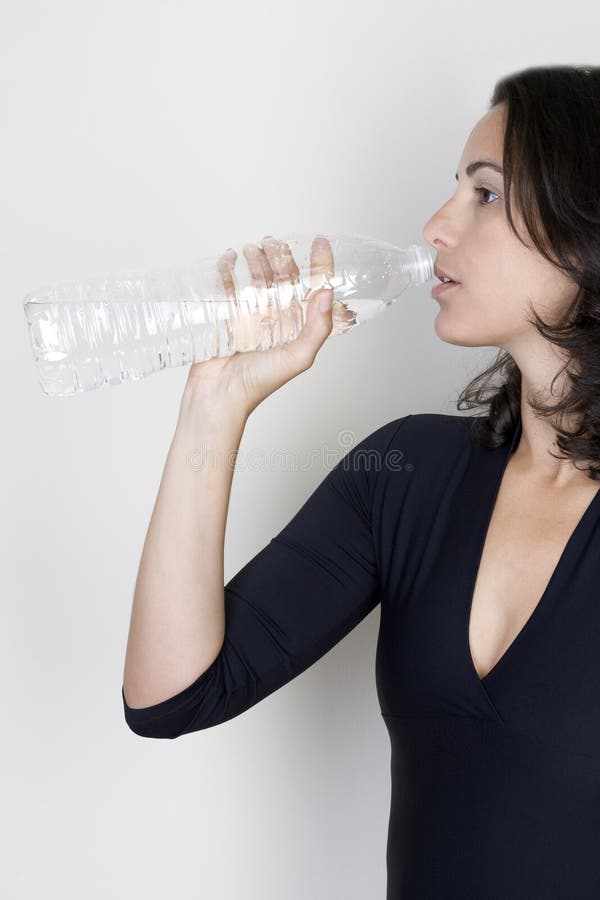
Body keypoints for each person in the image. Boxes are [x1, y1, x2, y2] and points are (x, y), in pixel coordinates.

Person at [121, 64, 600, 897]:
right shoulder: (406, 475)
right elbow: (170, 696)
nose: (436, 227)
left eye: (483, 195)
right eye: (454, 189)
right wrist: (216, 402)